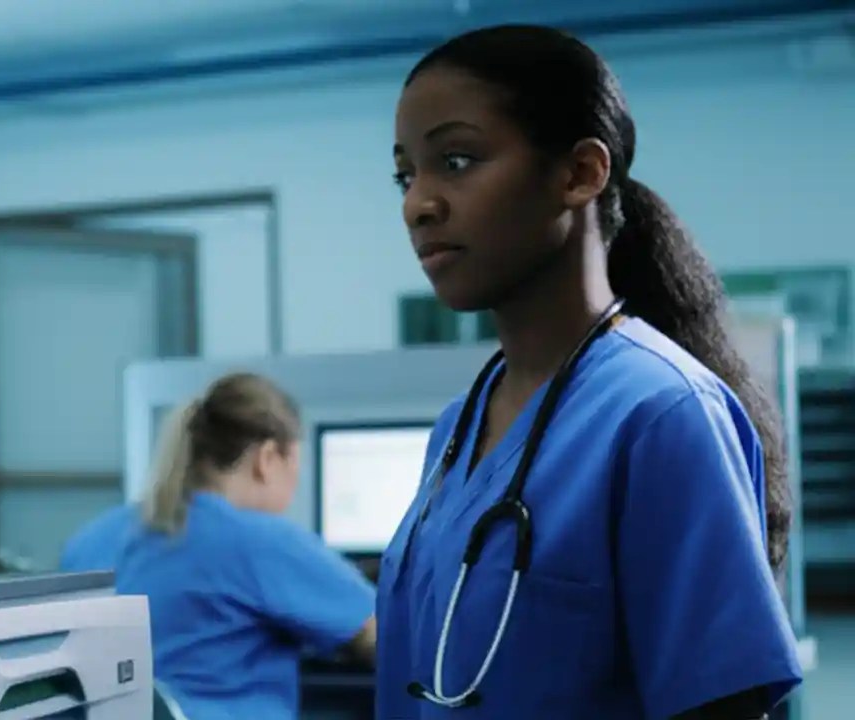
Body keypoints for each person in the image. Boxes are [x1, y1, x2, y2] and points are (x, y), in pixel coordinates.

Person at [379, 24, 802, 720]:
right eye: (405, 174)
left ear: (580, 173)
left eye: (455, 161)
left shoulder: (662, 415)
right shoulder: (458, 428)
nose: (417, 204)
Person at [112, 372, 377, 720]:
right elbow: (385, 638)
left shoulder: (111, 532)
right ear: (268, 459)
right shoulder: (261, 540)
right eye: (296, 464)